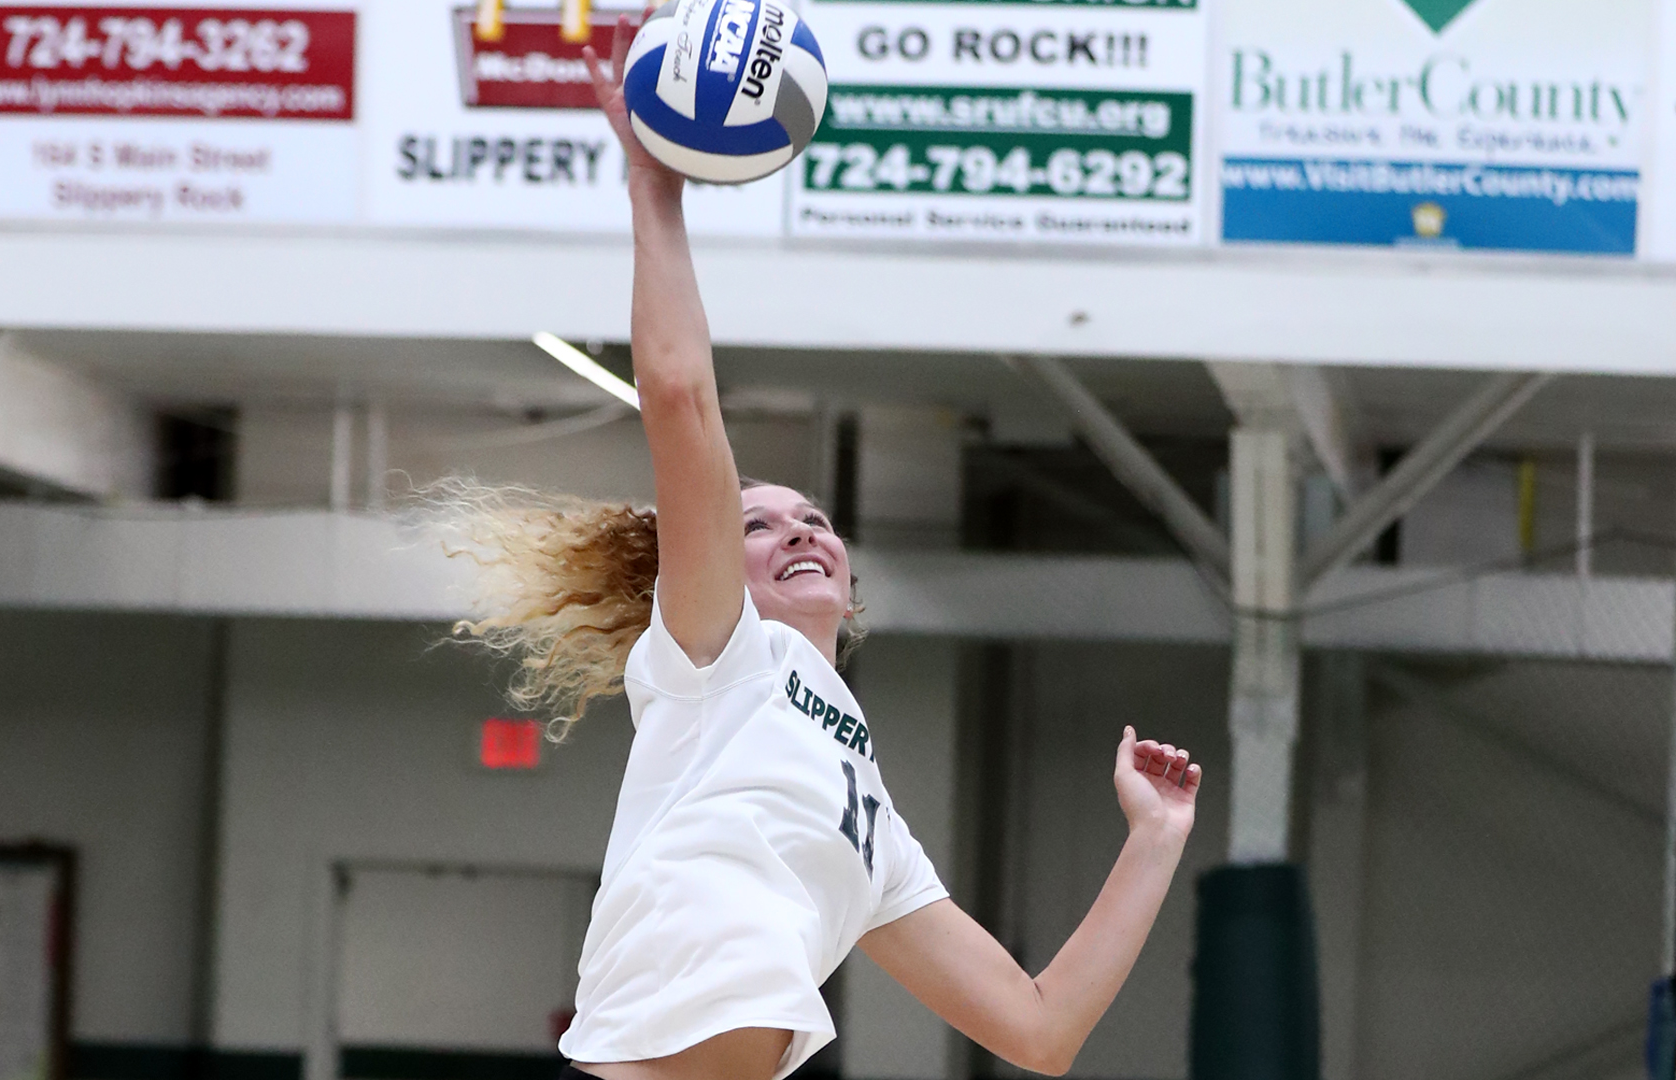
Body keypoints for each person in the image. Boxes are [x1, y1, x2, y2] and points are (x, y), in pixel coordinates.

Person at [442, 15, 1202, 1080]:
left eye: (816, 519)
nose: (797, 528)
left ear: (848, 585)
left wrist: (1155, 838)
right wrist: (654, 194)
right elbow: (677, 394)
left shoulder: (866, 814)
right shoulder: (715, 655)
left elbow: (1041, 1030)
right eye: (755, 522)